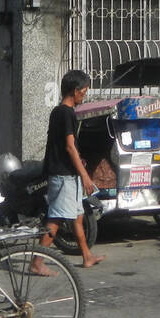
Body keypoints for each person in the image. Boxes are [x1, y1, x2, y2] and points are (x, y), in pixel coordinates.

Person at [36, 69, 105, 270]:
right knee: (56, 219)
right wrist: (85, 176)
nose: (84, 96)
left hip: (68, 174)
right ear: (75, 91)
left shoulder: (61, 112)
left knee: (77, 216)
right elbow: (69, 146)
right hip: (63, 175)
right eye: (83, 92)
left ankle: (87, 256)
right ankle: (37, 262)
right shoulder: (65, 113)